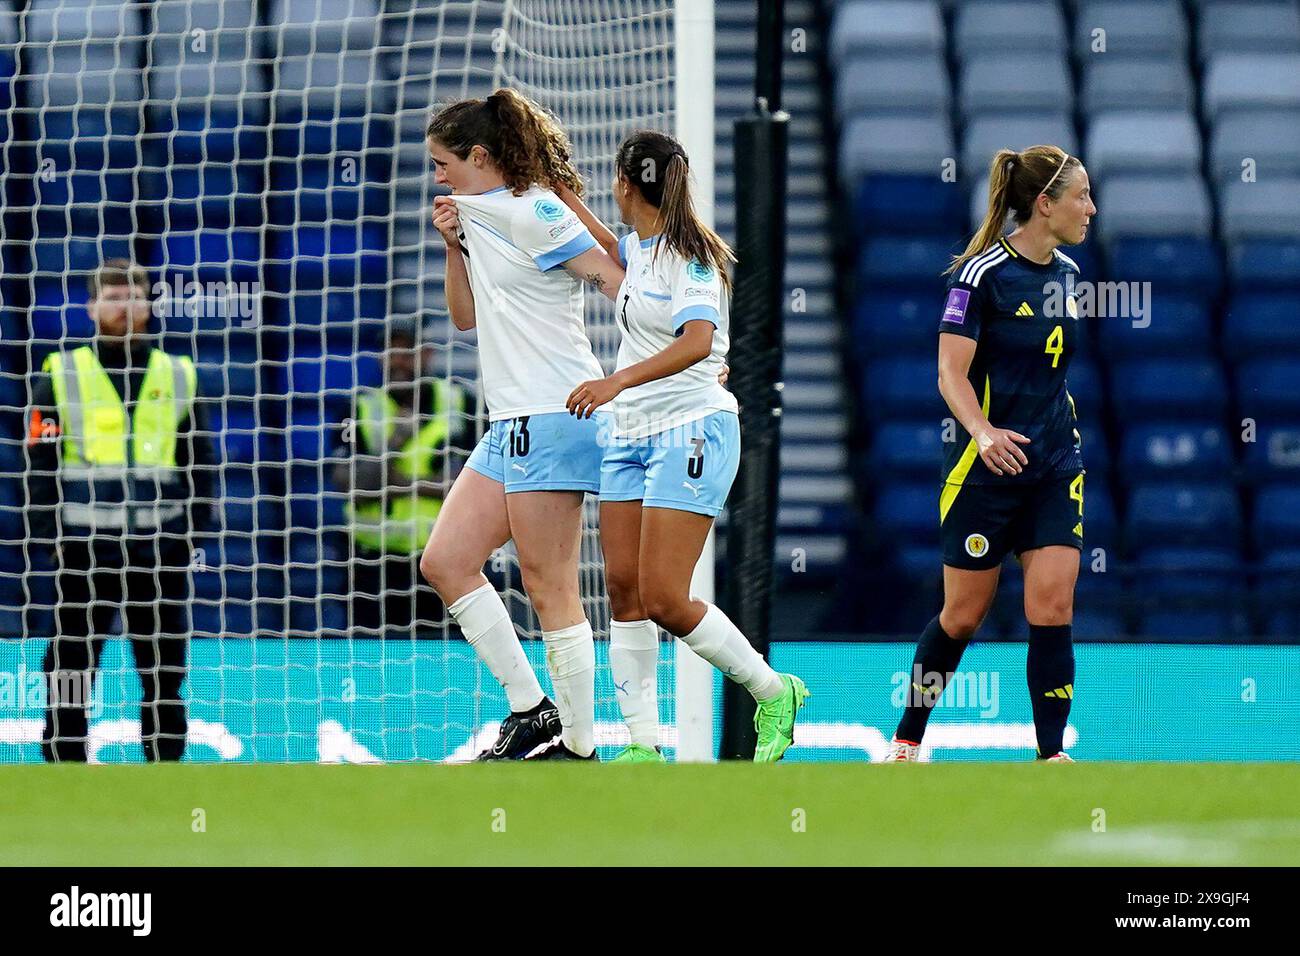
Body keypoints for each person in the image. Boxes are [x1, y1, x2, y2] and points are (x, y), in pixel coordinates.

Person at [561, 129, 810, 763]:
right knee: (621, 587)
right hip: (630, 433)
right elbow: (610, 244)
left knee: (666, 597)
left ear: (626, 184)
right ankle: (644, 743)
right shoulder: (640, 248)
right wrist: (565, 197)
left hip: (691, 429)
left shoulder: (690, 256)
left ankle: (774, 691)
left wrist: (614, 380)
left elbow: (698, 340)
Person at [418, 88, 627, 760]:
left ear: (478, 155)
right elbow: (465, 317)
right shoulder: (480, 218)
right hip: (511, 421)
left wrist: (686, 354)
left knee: (549, 584)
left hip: (555, 412)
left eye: (442, 161)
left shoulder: (533, 212)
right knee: (446, 562)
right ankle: (531, 711)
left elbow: (612, 279)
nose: (436, 175)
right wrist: (454, 248)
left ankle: (583, 744)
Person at [885, 145, 1096, 762]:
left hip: (1055, 464)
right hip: (985, 469)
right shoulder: (979, 277)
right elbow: (950, 374)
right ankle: (906, 740)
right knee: (962, 617)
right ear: (1045, 204)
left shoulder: (1070, 276)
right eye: (1081, 196)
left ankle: (1051, 754)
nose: (1092, 208)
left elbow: (1049, 371)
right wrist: (983, 432)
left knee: (1052, 604)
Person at [25, 259, 216, 762]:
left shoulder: (178, 373)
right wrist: (51, 537)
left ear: (149, 305)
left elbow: (199, 461)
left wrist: (190, 535)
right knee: (69, 661)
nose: (123, 306)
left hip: (158, 545)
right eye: (111, 296)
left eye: (133, 296)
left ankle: (165, 762)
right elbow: (39, 463)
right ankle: (63, 758)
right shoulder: (61, 374)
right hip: (84, 546)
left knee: (163, 664)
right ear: (91, 307)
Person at [333, 320, 474, 636]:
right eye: (390, 353)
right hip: (372, 562)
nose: (398, 361)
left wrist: (396, 484)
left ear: (426, 355)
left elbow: (475, 488)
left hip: (446, 558)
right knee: (373, 660)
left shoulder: (461, 403)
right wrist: (396, 442)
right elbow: (348, 484)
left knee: (448, 658)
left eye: (406, 352)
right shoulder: (359, 407)